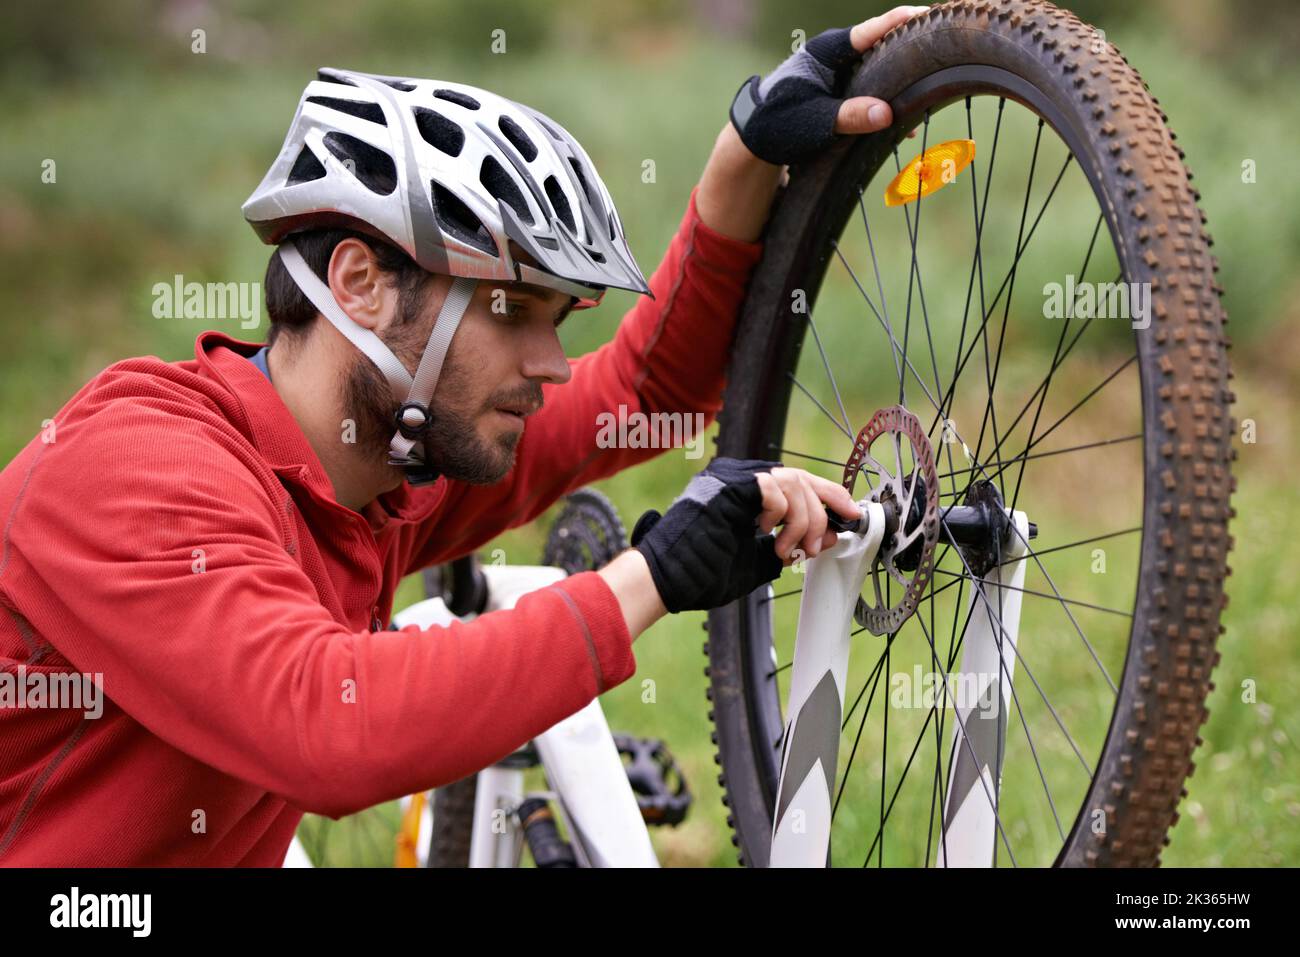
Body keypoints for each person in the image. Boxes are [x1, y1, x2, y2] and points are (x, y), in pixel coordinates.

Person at [0, 8, 927, 865]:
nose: (552, 360)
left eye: (557, 318)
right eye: (512, 309)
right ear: (359, 282)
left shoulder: (378, 473)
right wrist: (645, 580)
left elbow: (644, 392)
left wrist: (745, 153)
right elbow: (328, 727)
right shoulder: (135, 470)